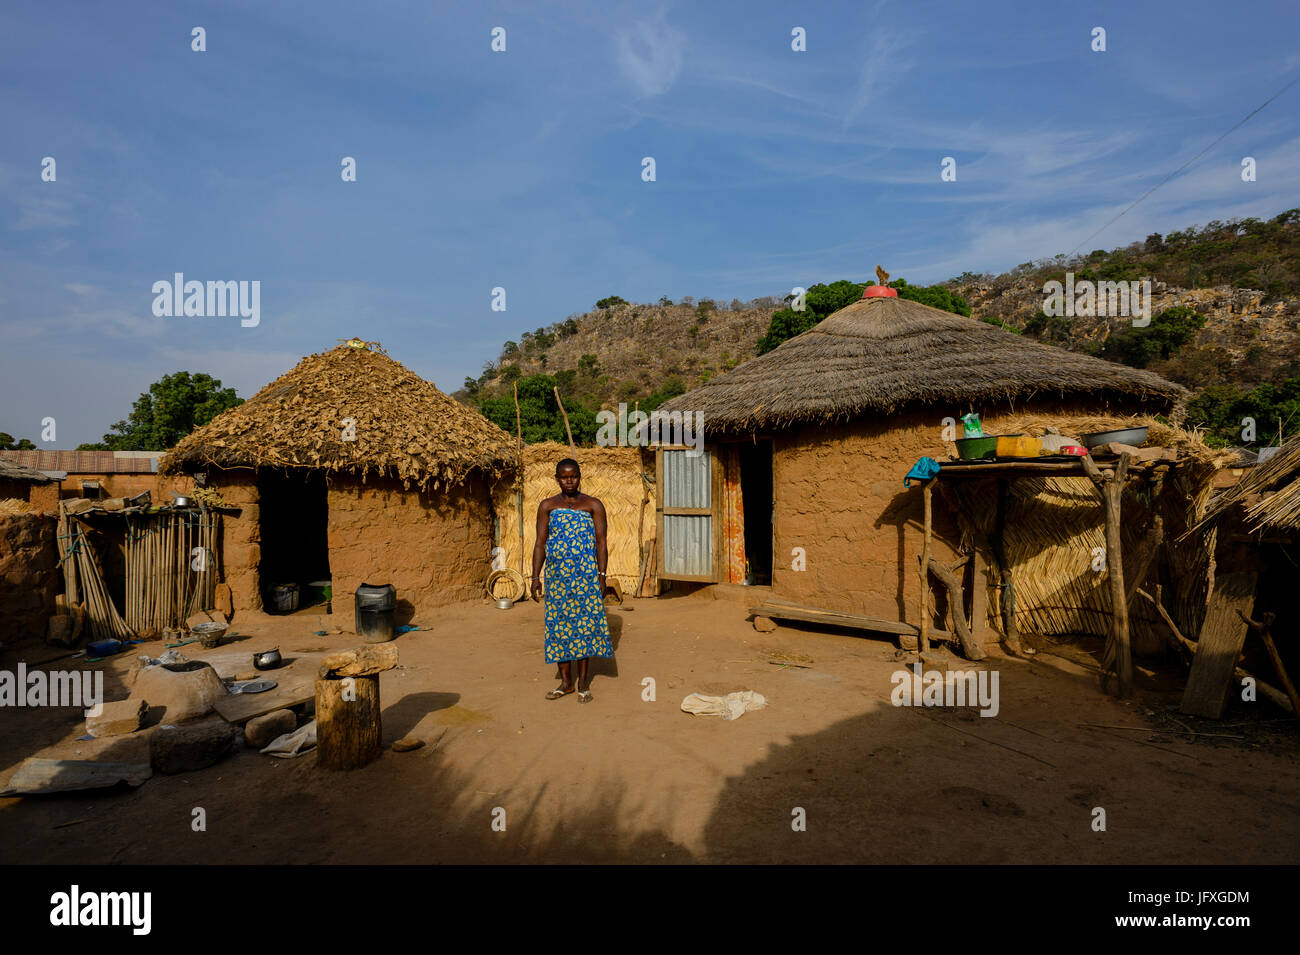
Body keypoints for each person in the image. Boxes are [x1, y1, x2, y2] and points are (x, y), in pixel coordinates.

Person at [531, 458, 614, 703]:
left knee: (585, 628)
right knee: (560, 629)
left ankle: (583, 684)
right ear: (556, 478)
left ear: (580, 476)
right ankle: (565, 683)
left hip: (586, 578)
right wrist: (536, 576)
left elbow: (601, 543)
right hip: (557, 579)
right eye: (564, 477)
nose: (569, 481)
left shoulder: (593, 505)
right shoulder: (547, 505)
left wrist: (602, 575)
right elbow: (540, 543)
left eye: (574, 476)